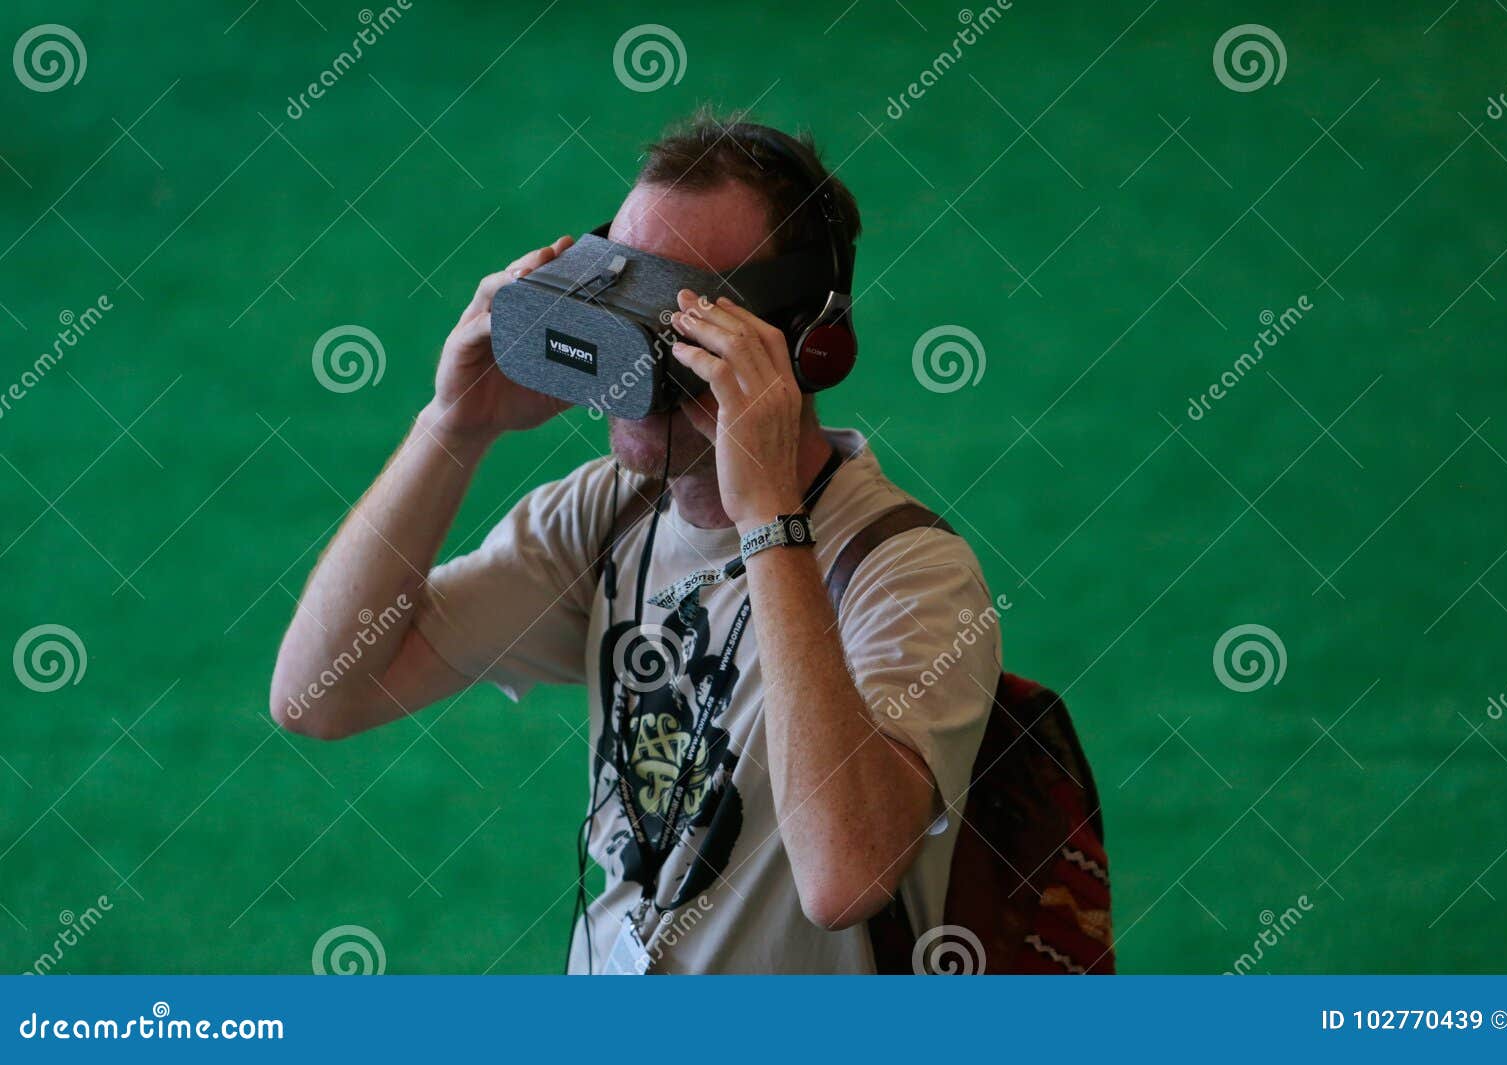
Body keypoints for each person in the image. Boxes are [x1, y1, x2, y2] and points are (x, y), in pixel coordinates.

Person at [269, 113, 1001, 973]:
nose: (623, 356)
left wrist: (767, 514)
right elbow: (318, 696)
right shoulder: (608, 514)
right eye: (613, 294)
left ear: (806, 345)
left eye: (675, 319)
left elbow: (846, 879)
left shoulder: (907, 569)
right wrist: (453, 426)